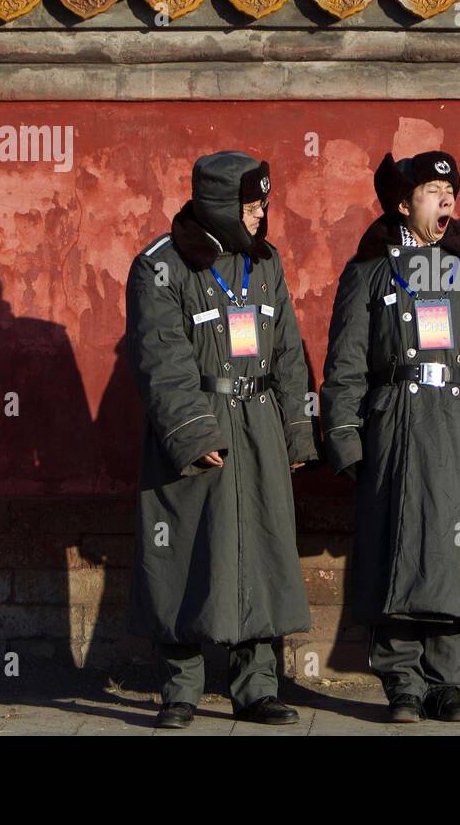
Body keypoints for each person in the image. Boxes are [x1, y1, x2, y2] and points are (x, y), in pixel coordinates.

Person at [321, 150, 460, 723]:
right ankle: (402, 683)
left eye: (451, 191)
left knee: (456, 557)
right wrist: (343, 436)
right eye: (432, 190)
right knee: (398, 550)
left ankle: (449, 681)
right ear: (402, 203)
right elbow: (344, 364)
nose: (446, 200)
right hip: (396, 428)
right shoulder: (368, 271)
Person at [125, 150, 318, 729]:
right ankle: (180, 688)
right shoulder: (159, 266)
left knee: (260, 550)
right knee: (183, 553)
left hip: (258, 422)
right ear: (219, 205)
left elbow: (286, 350)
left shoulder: (266, 264)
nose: (261, 216)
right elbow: (160, 358)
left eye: (264, 204)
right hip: (199, 423)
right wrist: (191, 431)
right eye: (251, 206)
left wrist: (295, 434)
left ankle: (256, 686)